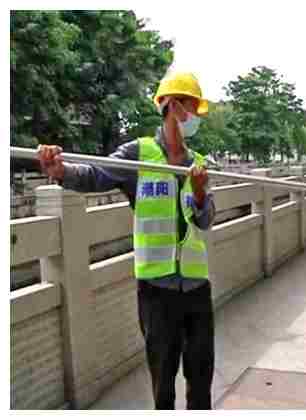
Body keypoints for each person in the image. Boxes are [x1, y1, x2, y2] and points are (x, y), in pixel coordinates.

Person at [38, 71, 216, 409]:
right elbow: (95, 174)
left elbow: (206, 221)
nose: (195, 117)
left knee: (201, 381)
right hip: (157, 293)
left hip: (197, 289)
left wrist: (199, 194)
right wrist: (60, 171)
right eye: (192, 108)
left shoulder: (200, 165)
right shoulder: (139, 154)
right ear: (172, 105)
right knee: (163, 386)